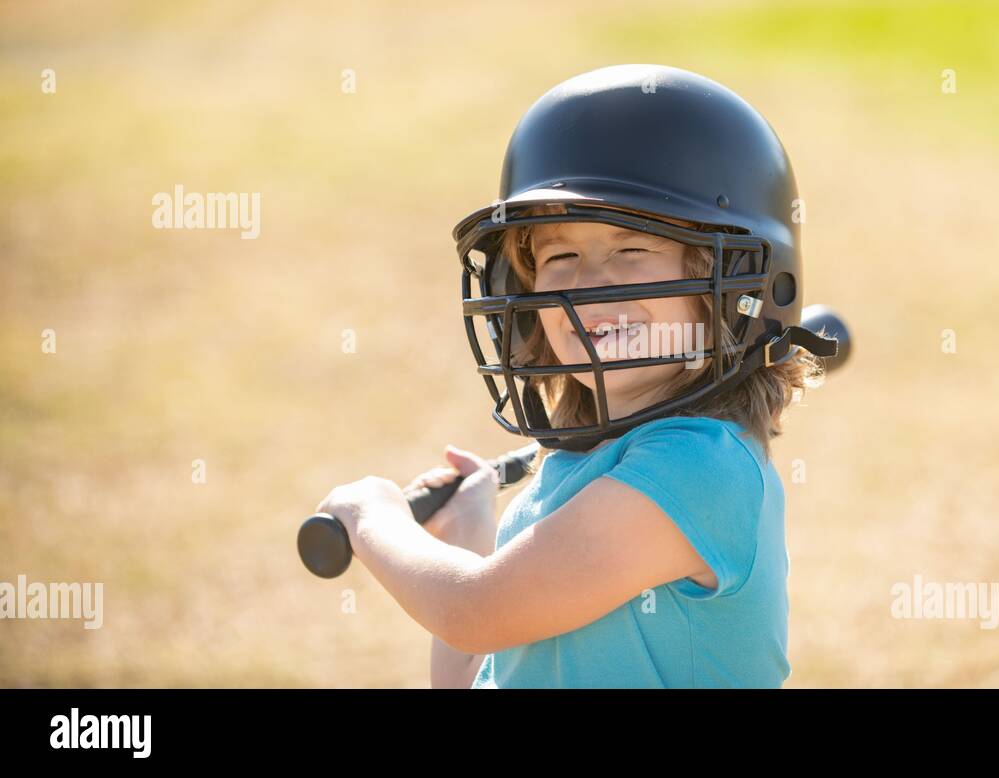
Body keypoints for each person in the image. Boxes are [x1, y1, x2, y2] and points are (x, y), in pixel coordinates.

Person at [316, 64, 835, 687]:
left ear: (737, 286)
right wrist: (470, 540)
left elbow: (476, 609)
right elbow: (487, 658)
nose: (589, 287)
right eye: (560, 256)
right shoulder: (572, 476)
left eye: (631, 250)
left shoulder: (698, 470)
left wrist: (373, 517)